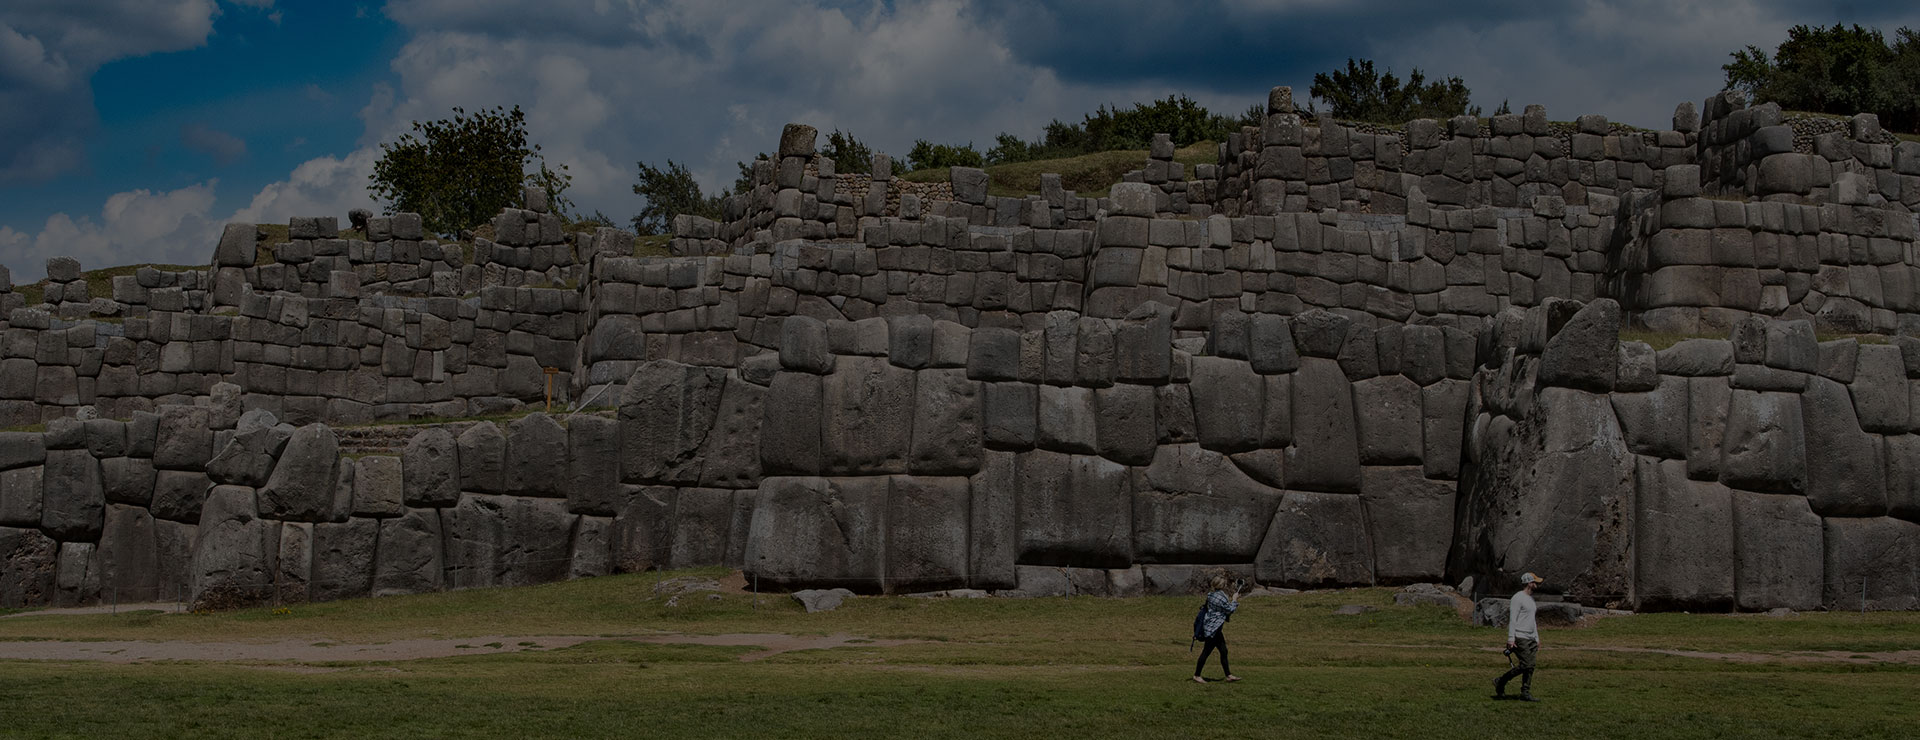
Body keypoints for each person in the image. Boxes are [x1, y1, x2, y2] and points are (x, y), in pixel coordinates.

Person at [1494, 572, 1543, 701]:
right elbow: (1513, 619)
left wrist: (1536, 638)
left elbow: (1532, 620)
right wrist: (1511, 638)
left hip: (1531, 637)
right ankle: (1501, 681)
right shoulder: (1518, 598)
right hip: (1520, 636)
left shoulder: (1531, 600)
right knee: (1526, 664)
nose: (1537, 584)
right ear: (1529, 583)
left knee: (1531, 666)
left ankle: (1525, 692)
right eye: (1535, 582)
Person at [1191, 575, 1240, 684]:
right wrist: (1235, 599)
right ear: (1222, 585)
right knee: (1206, 652)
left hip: (1213, 627)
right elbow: (1229, 610)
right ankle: (1197, 675)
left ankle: (1228, 675)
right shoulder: (1220, 597)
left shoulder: (1210, 595)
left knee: (1223, 651)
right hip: (1213, 629)